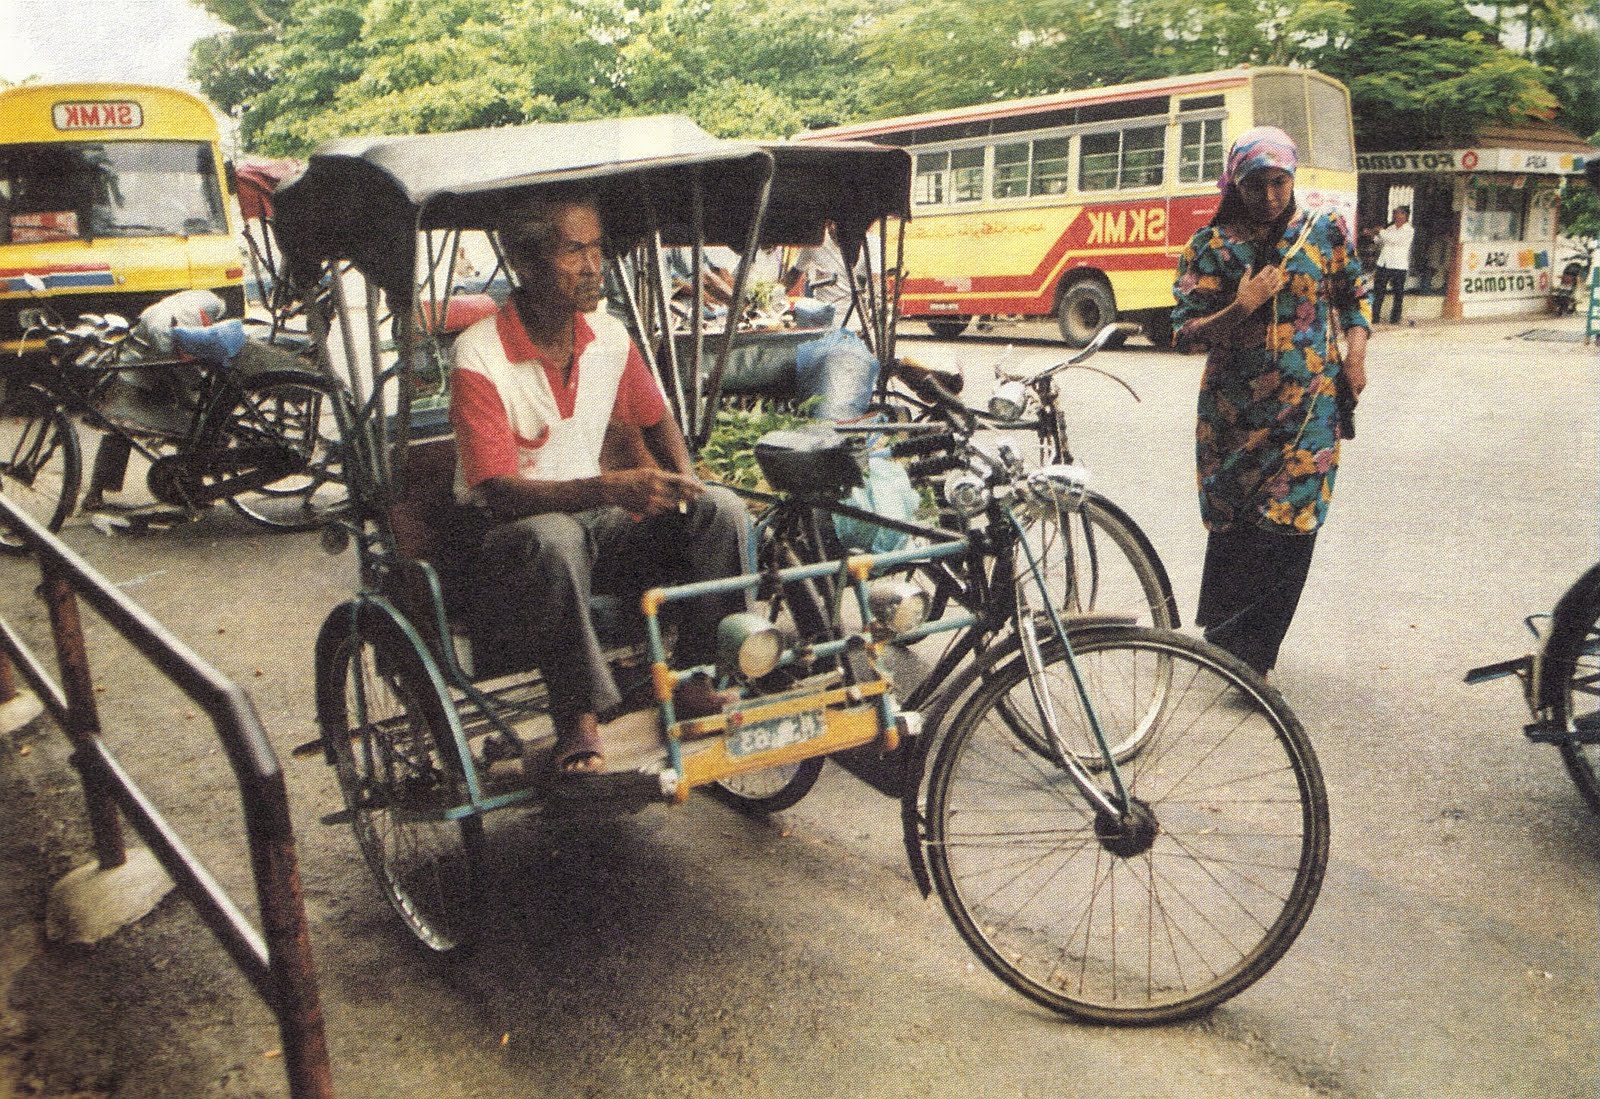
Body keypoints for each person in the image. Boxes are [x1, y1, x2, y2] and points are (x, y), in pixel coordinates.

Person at [449, 190, 748, 776]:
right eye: (574, 251)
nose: (593, 265)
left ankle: (692, 678)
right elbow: (501, 493)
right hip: (506, 546)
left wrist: (686, 483)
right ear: (527, 263)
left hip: (595, 529)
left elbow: (656, 415)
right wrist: (612, 488)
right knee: (553, 536)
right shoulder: (478, 355)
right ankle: (577, 718)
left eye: (597, 249)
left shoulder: (607, 335)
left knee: (723, 510)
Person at [1170, 126, 1370, 678]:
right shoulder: (1210, 247)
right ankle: (1229, 633)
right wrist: (1241, 306)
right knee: (1237, 520)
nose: (1270, 197)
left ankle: (1255, 658)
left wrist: (1355, 357)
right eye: (1256, 186)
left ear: (1292, 179)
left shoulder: (1324, 231)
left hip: (1311, 409)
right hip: (1234, 415)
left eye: (1279, 183)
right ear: (1235, 185)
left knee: (1293, 523)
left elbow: (1355, 298)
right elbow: (1184, 335)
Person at [1365, 205, 1414, 324]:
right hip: (1384, 263)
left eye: (1398, 213)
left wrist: (1380, 231)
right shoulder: (1391, 228)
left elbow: (1394, 240)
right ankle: (1374, 317)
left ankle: (1395, 318)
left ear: (1405, 215)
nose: (1396, 216)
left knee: (1398, 293)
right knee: (1378, 291)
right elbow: (1381, 241)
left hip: (1398, 265)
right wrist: (1372, 235)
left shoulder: (1409, 230)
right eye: (1395, 213)